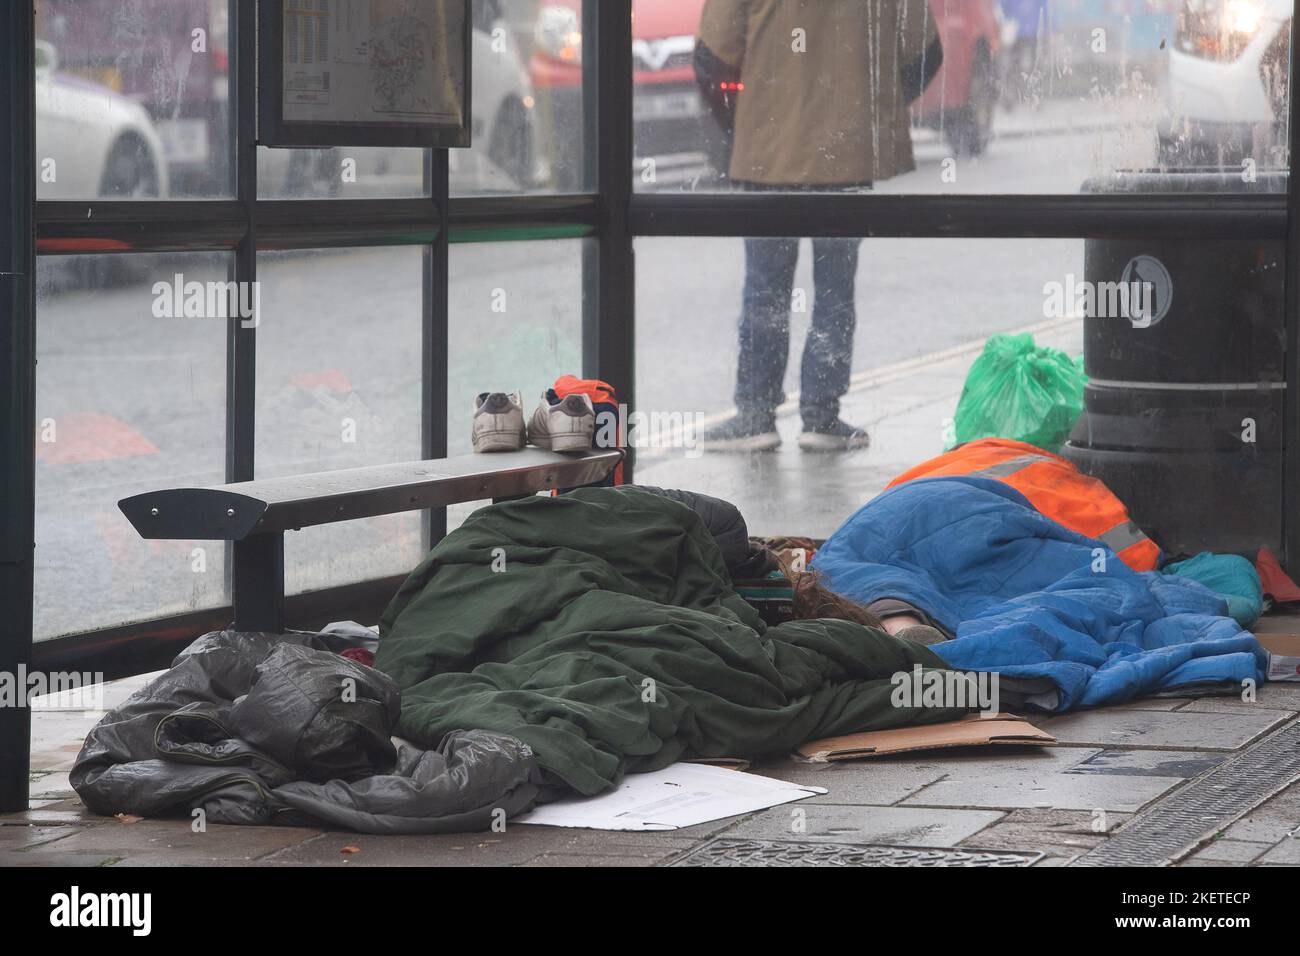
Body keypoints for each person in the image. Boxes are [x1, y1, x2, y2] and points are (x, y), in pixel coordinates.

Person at [694, 0, 942, 452]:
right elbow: (925, 53)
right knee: (835, 291)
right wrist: (867, 103)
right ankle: (822, 417)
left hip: (770, 147)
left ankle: (755, 415)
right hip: (848, 151)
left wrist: (744, 122)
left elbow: (711, 56)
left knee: (765, 290)